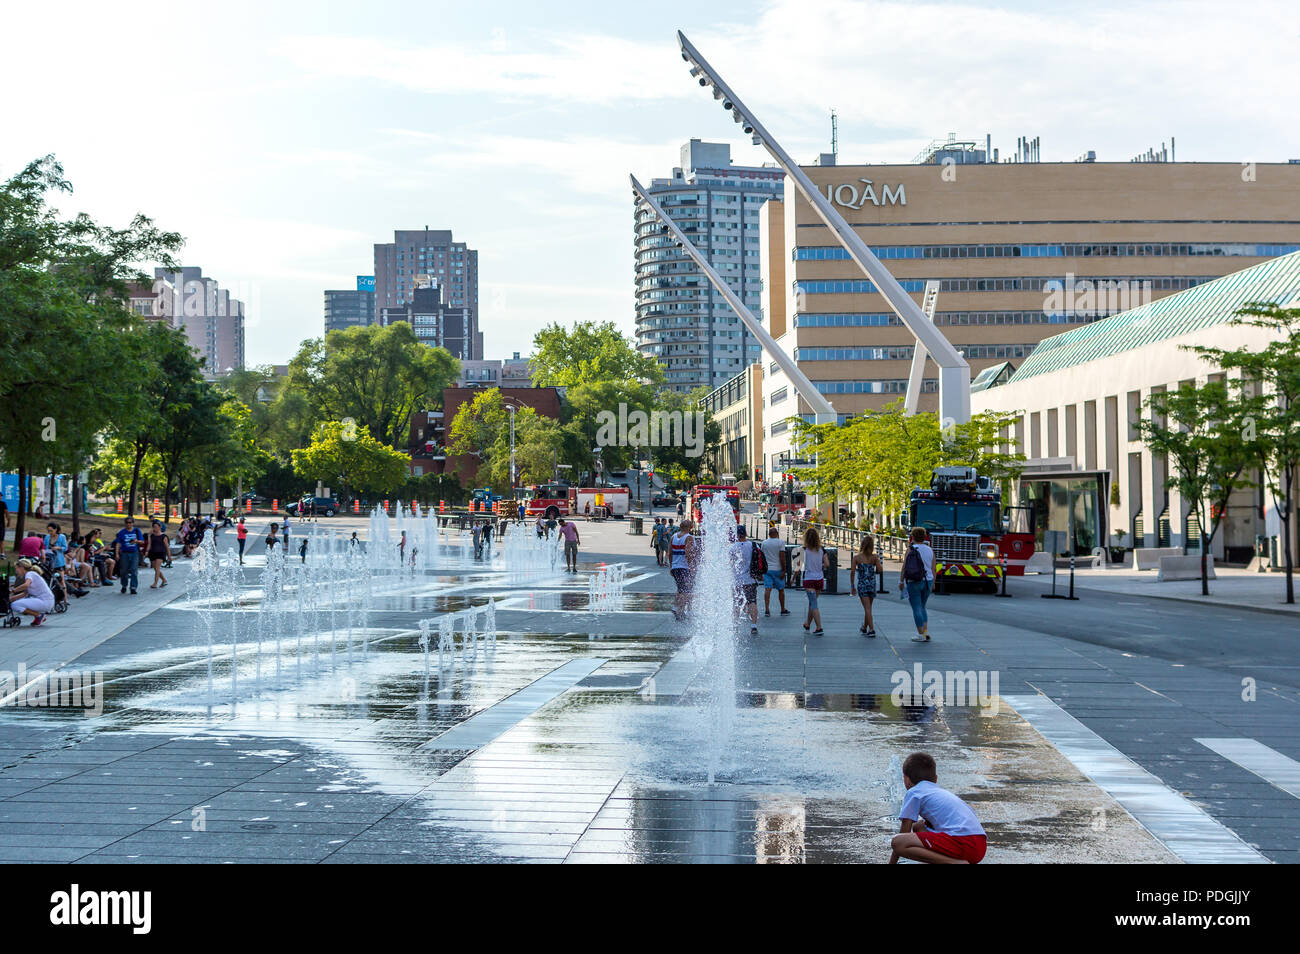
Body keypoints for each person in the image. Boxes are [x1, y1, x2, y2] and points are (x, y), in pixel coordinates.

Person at [889, 752, 986, 865]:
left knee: (897, 842)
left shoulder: (914, 792)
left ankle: (955, 863)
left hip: (963, 843)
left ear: (906, 779)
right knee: (919, 826)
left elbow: (903, 833)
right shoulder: (940, 792)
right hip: (979, 846)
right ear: (935, 779)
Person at [899, 527, 935, 642]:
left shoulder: (911, 549)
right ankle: (925, 632)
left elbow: (904, 567)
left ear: (912, 537)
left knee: (916, 608)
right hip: (928, 581)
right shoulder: (930, 550)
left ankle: (921, 635)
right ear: (924, 537)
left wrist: (901, 581)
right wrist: (933, 582)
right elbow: (934, 568)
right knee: (923, 607)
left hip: (914, 581)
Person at [730, 524, 760, 636]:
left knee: (736, 603)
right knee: (752, 601)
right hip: (751, 579)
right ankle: (754, 625)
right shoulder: (754, 545)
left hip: (737, 580)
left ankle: (735, 625)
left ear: (737, 534)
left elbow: (729, 564)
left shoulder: (732, 548)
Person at [852, 535, 884, 637]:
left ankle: (872, 629)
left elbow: (852, 572)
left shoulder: (856, 558)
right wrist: (876, 562)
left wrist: (852, 585)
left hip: (862, 584)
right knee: (869, 607)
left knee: (867, 608)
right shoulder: (874, 557)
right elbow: (880, 570)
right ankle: (864, 628)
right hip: (872, 584)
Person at [800, 526, 829, 637]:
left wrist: (793, 578)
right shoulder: (822, 549)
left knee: (814, 604)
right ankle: (807, 623)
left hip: (809, 579)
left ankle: (819, 627)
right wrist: (820, 565)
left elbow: (799, 565)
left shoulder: (804, 550)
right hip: (819, 579)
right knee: (812, 603)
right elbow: (827, 564)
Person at [10, 559, 55, 626]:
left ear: (22, 568)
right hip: (47, 601)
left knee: (15, 605)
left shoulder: (30, 574)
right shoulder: (32, 574)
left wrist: (13, 590)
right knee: (16, 603)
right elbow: (24, 593)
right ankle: (38, 617)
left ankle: (39, 616)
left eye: (17, 569)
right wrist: (11, 598)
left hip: (45, 601)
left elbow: (26, 585)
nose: (16, 571)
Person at [669, 519, 696, 621]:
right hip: (684, 567)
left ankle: (677, 608)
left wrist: (671, 566)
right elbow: (688, 553)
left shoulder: (673, 537)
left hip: (676, 567)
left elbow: (670, 553)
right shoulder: (689, 537)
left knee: (680, 589)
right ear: (690, 527)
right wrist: (691, 567)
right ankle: (678, 609)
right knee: (686, 590)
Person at [760, 525, 789, 617]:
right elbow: (782, 557)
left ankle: (767, 610)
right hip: (778, 569)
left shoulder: (764, 543)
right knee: (781, 590)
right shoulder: (780, 543)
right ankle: (782, 609)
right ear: (777, 534)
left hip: (767, 570)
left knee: (767, 589)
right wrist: (784, 570)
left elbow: (762, 557)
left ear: (769, 534)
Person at [114, 517, 144, 595]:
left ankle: (133, 587)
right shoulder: (122, 532)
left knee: (134, 570)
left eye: (130, 522)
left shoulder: (137, 531)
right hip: (124, 553)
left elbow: (142, 542)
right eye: (127, 522)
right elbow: (118, 543)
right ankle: (124, 585)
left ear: (133, 523)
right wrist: (117, 553)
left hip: (134, 553)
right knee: (124, 571)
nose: (128, 524)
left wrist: (136, 541)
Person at [145, 520, 169, 589]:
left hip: (161, 553)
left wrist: (169, 556)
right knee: (155, 568)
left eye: (156, 527)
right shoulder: (151, 535)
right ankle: (164, 580)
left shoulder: (164, 536)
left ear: (160, 527)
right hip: (152, 553)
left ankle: (155, 583)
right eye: (154, 527)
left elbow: (167, 547)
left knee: (157, 568)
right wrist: (147, 551)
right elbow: (149, 544)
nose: (155, 528)